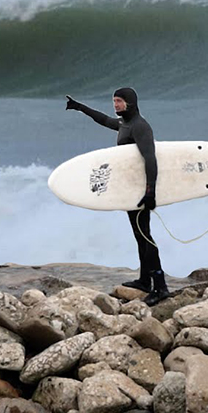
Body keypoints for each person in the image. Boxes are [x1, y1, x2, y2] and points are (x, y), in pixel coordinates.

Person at [65, 88, 171, 306]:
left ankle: (160, 287)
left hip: (142, 190)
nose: (115, 105)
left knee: (146, 236)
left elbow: (150, 159)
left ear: (130, 103)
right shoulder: (125, 125)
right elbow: (103, 119)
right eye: (114, 101)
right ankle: (144, 280)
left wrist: (150, 191)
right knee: (139, 234)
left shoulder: (140, 127)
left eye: (119, 101)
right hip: (131, 190)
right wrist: (80, 107)